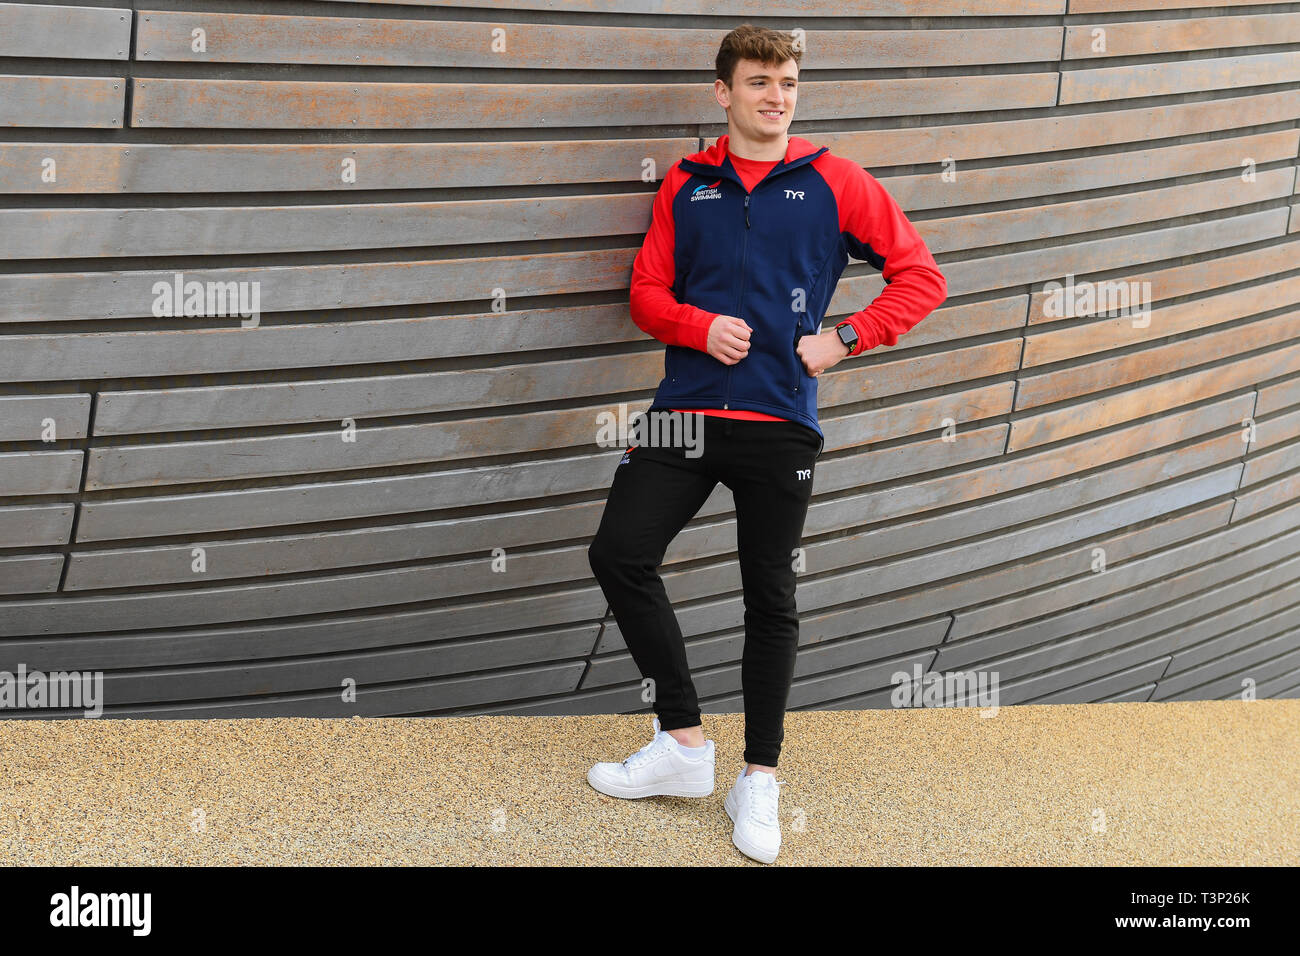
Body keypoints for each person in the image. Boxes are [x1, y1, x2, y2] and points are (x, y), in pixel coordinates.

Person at [585, 23, 948, 864]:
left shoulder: (835, 181)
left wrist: (847, 338)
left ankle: (759, 776)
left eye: (786, 82)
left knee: (768, 600)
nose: (774, 96)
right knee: (618, 553)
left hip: (781, 418)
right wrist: (695, 325)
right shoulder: (687, 183)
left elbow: (920, 275)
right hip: (684, 410)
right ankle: (681, 745)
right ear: (724, 92)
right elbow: (645, 293)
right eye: (757, 82)